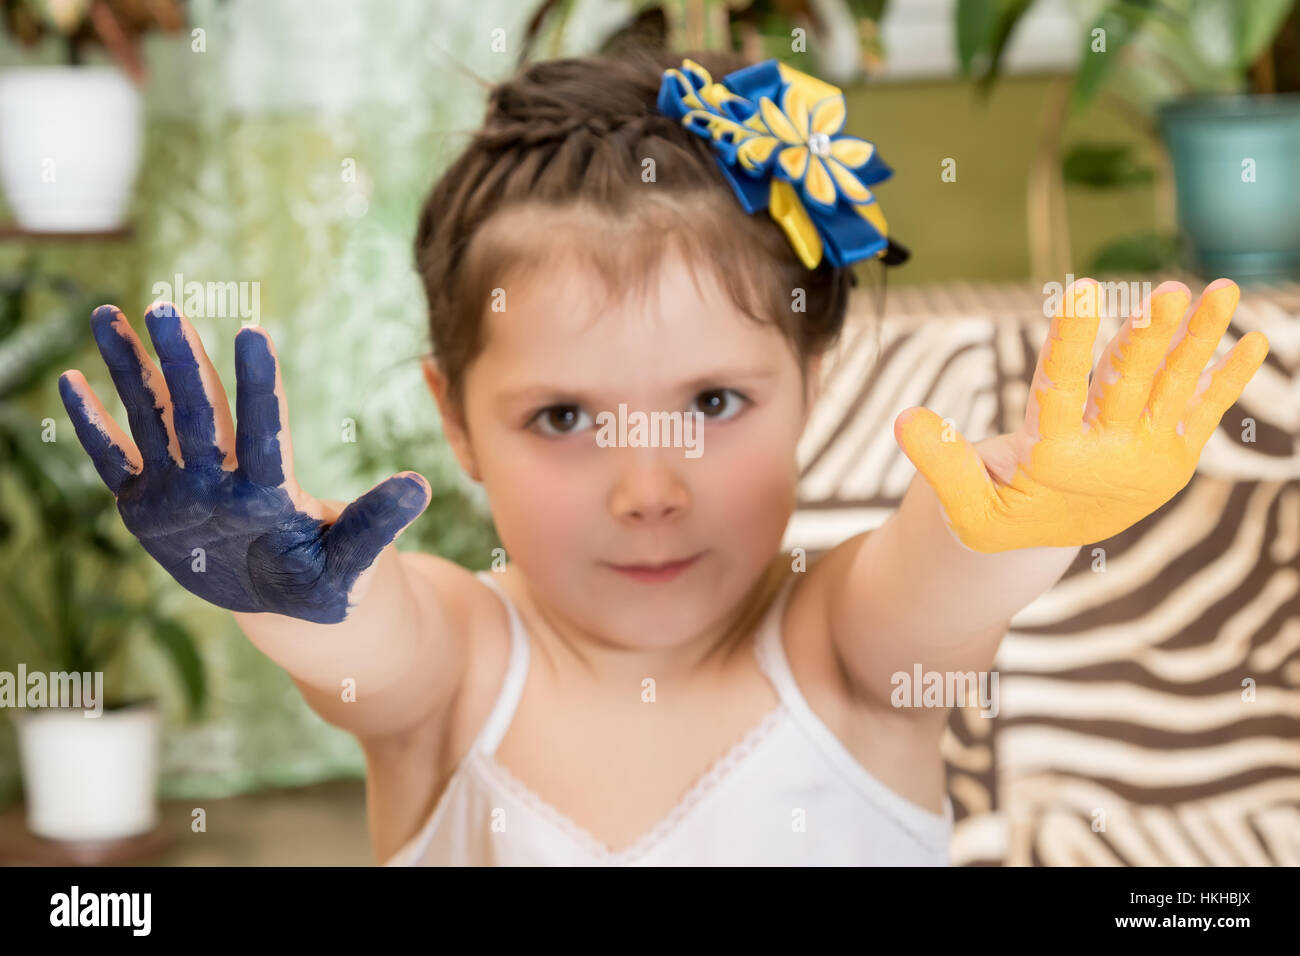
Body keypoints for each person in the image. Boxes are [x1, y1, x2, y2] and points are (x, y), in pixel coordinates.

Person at [57, 48, 1268, 866]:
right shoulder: (462, 667)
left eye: (715, 399)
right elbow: (375, 631)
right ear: (455, 417)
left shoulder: (843, 647)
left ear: (814, 388)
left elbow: (930, 582)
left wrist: (1017, 526)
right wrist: (291, 594)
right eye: (566, 418)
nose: (647, 488)